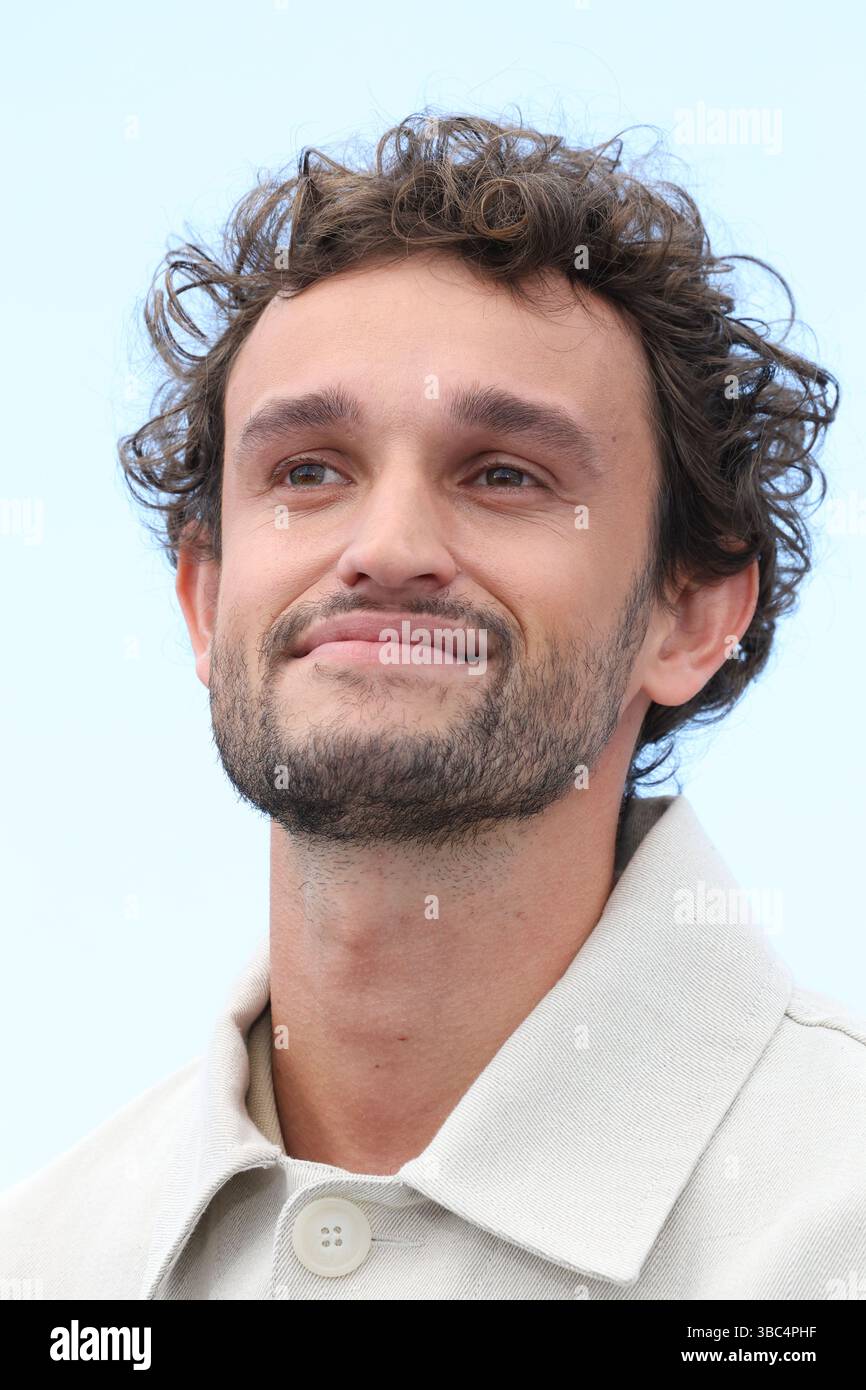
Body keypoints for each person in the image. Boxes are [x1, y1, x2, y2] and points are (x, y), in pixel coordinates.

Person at [2, 112, 863, 1301]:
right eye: (307, 471)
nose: (388, 546)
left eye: (504, 474)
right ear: (203, 601)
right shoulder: (45, 1266)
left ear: (690, 613)